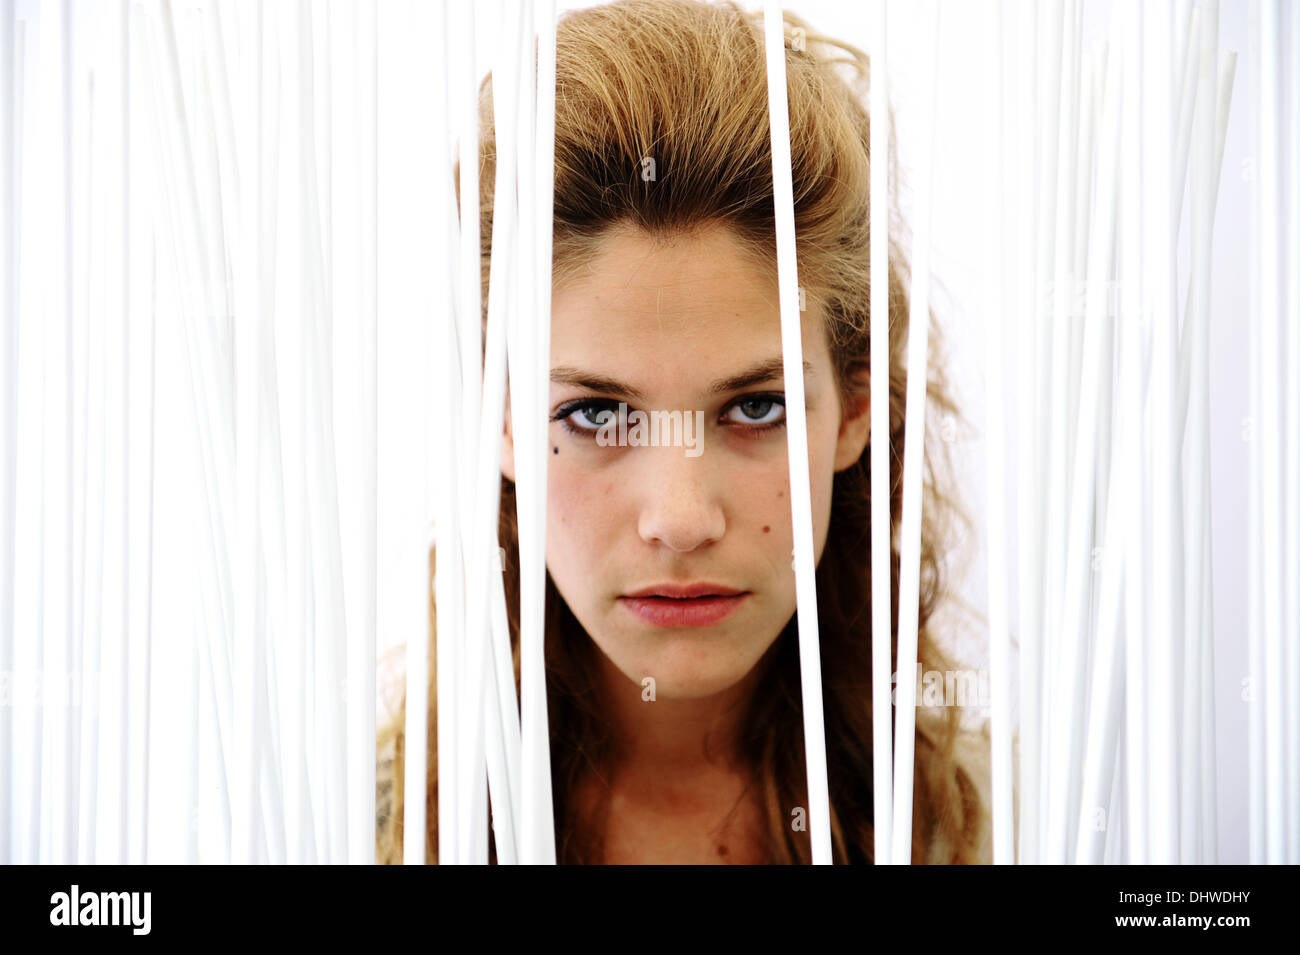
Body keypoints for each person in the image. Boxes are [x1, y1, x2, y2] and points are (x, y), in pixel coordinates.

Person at [377, 0, 992, 864]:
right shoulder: (352, 828)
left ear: (858, 408)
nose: (680, 517)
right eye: (594, 414)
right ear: (500, 421)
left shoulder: (1020, 825)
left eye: (755, 407)